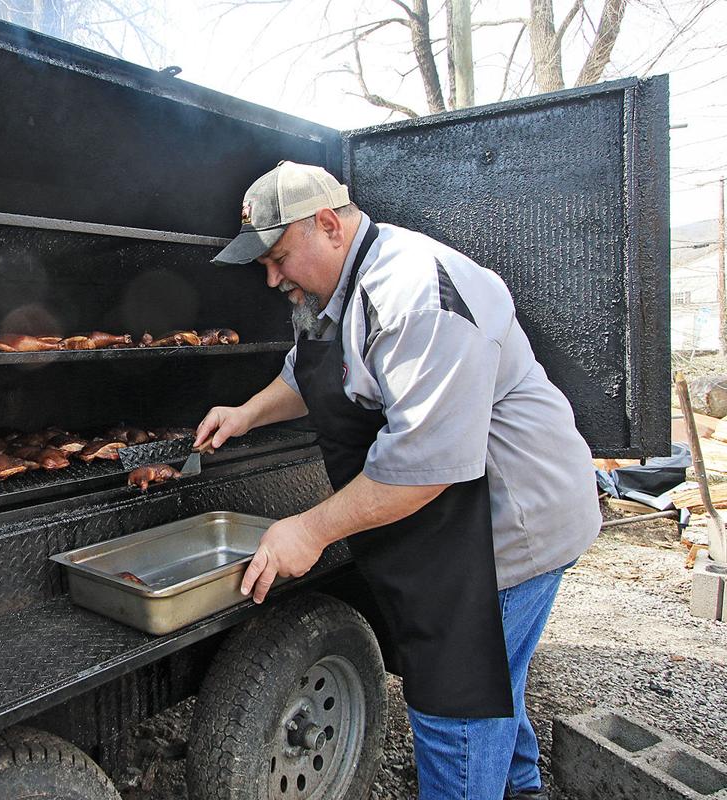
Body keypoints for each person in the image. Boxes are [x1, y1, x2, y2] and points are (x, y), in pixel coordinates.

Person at [194, 161, 600, 800]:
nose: (272, 279)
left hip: (507, 522)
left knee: (456, 706)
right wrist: (246, 413)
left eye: (278, 258)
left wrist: (311, 528)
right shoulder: (334, 288)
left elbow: (420, 469)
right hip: (454, 512)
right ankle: (521, 789)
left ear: (328, 225)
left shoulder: (415, 295)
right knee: (502, 680)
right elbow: (309, 372)